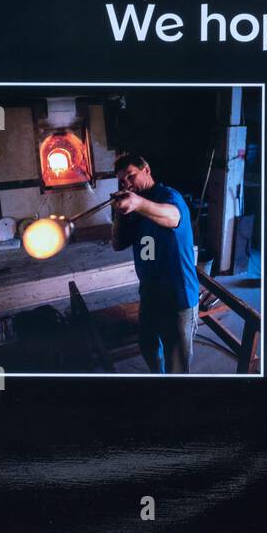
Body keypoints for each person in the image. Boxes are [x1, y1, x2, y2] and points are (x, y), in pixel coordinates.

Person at [110, 152, 200, 374]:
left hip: (178, 294)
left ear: (146, 170)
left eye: (131, 176)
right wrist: (120, 214)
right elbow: (118, 244)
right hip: (150, 291)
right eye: (123, 181)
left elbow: (172, 217)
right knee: (148, 344)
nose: (128, 184)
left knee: (177, 362)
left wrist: (138, 202)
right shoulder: (134, 206)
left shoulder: (169, 196)